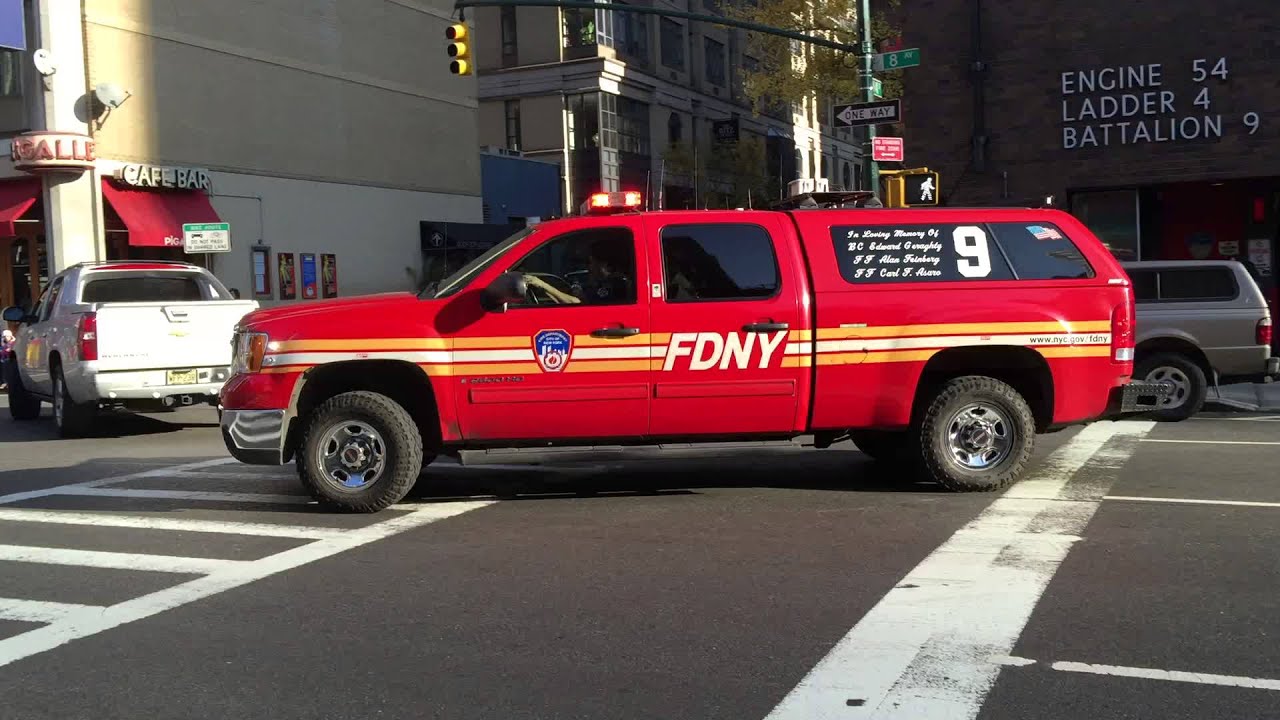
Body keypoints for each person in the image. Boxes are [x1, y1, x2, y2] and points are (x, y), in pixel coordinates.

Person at [573, 238, 630, 304]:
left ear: (603, 264)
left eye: (590, 262)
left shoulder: (616, 283)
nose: (588, 267)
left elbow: (583, 303)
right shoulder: (606, 281)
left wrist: (580, 295)